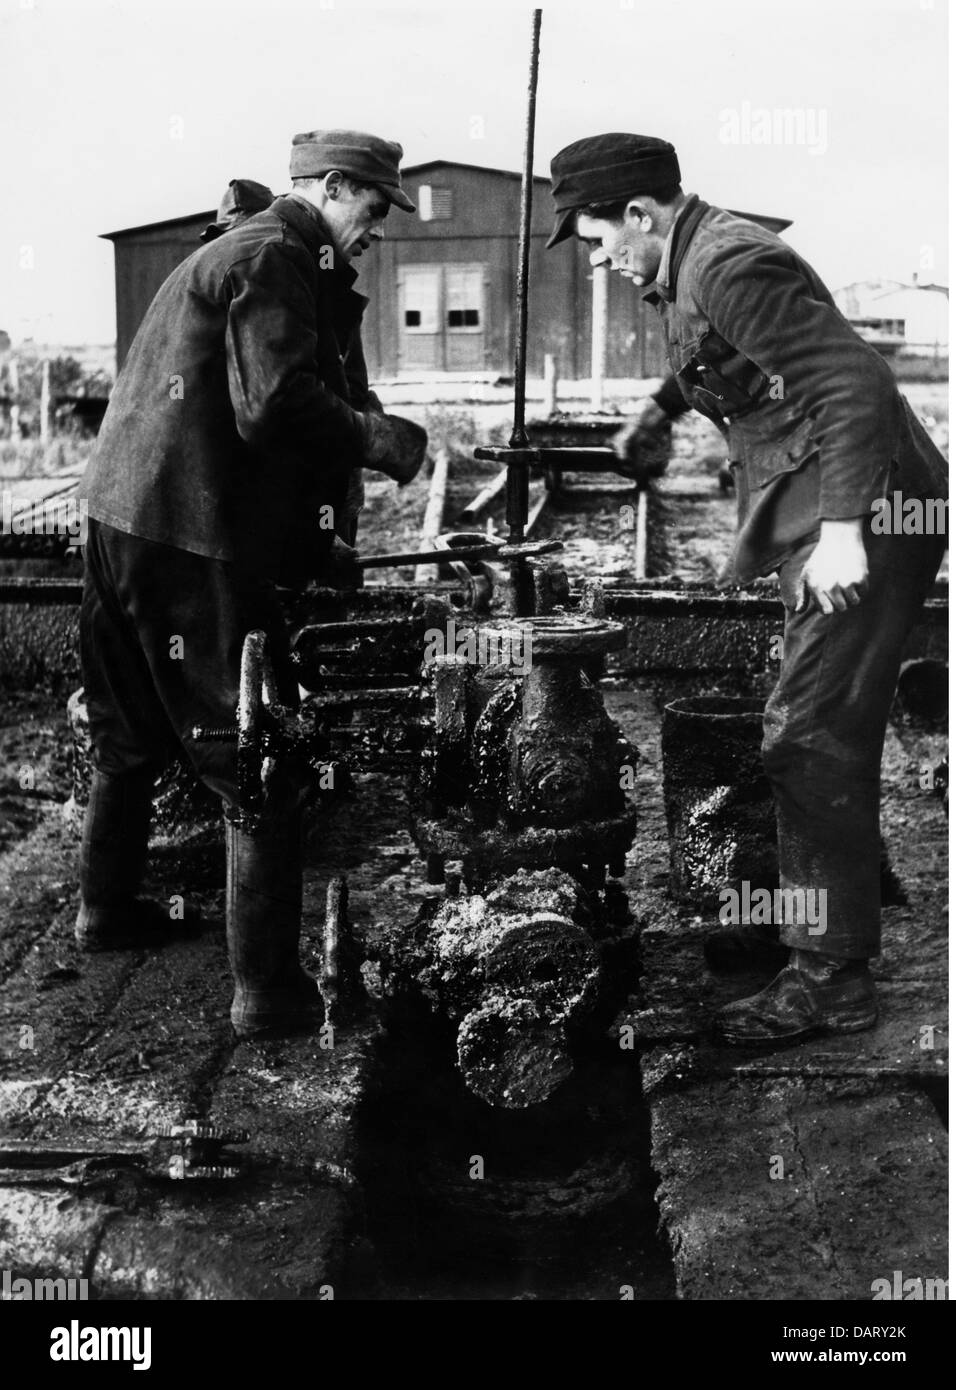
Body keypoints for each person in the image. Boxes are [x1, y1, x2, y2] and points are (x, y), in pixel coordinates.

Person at [547, 132, 948, 1046]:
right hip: (828, 498)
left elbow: (853, 386)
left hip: (866, 509)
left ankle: (832, 983)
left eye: (598, 237)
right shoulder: (689, 260)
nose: (599, 258)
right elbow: (720, 353)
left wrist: (847, 532)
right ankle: (836, 913)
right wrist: (656, 413)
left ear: (639, 215)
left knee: (805, 735)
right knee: (819, 723)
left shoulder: (729, 263)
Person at [78, 129, 428, 1040]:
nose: (376, 231)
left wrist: (318, 549)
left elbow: (251, 435)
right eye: (374, 208)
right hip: (188, 536)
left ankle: (105, 913)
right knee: (260, 758)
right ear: (334, 186)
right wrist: (376, 438)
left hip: (120, 520)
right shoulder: (275, 253)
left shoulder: (243, 253)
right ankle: (267, 996)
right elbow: (274, 408)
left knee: (130, 733)